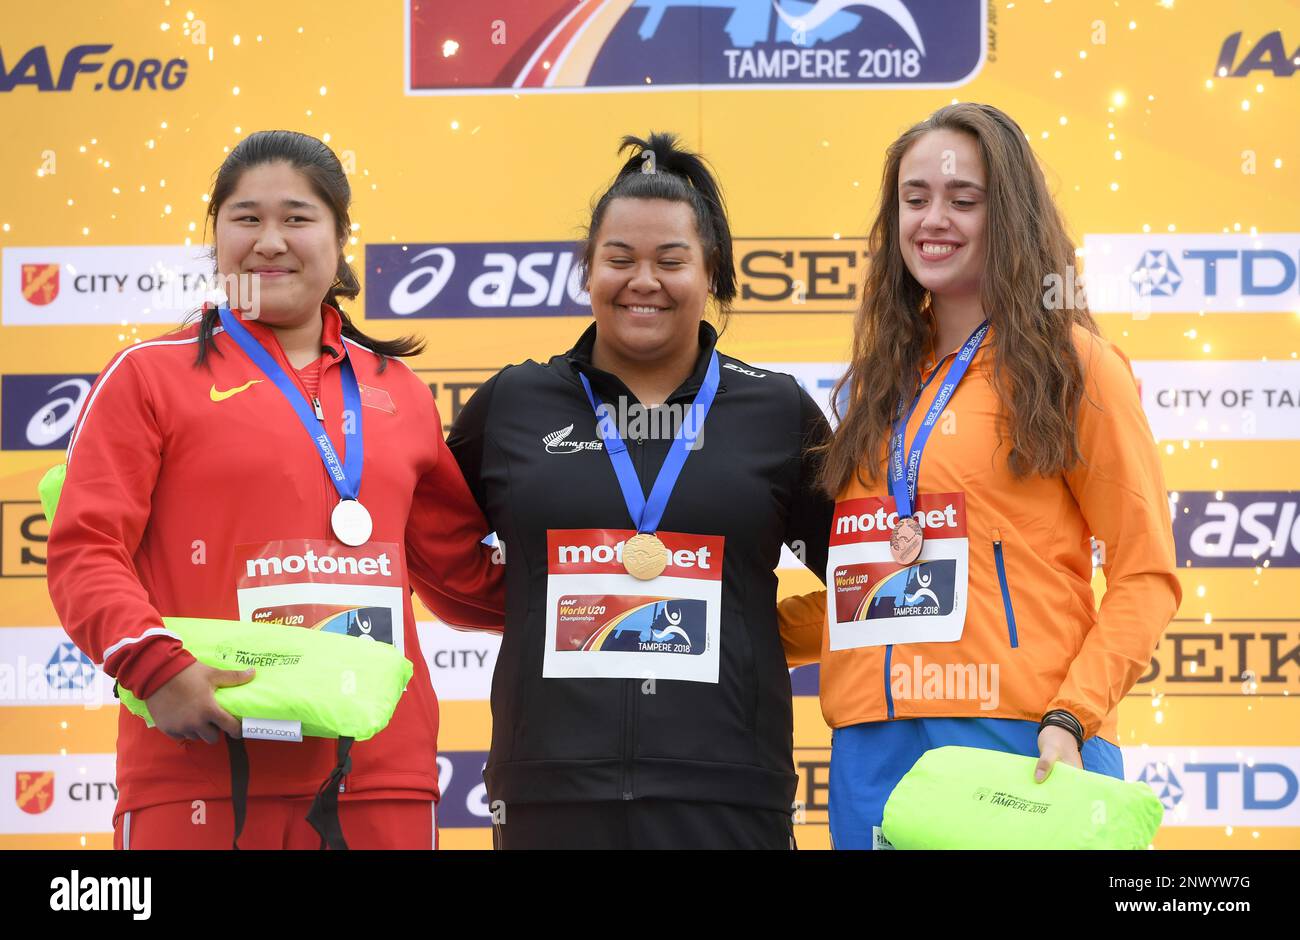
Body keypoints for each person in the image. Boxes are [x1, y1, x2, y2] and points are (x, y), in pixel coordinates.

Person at [46, 130, 504, 850]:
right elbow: (85, 548)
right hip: (202, 764)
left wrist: (592, 576)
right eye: (245, 218)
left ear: (340, 238)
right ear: (214, 235)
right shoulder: (146, 377)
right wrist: (153, 665)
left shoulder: (400, 393)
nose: (269, 242)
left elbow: (461, 573)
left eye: (296, 218)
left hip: (381, 774)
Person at [778, 103, 1181, 850]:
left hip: (1021, 740)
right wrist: (738, 630)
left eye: (964, 200)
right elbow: (872, 581)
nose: (934, 219)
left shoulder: (1074, 367)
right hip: (873, 747)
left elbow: (1146, 572)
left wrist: (1071, 718)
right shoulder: (882, 382)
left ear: (1013, 216)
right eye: (915, 198)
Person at [447, 132, 835, 849]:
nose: (643, 281)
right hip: (549, 792)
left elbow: (863, 575)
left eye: (671, 260)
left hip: (728, 793)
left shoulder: (775, 412)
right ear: (587, 271)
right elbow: (425, 541)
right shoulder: (513, 404)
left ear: (710, 270)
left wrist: (757, 636)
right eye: (618, 259)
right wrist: (527, 604)